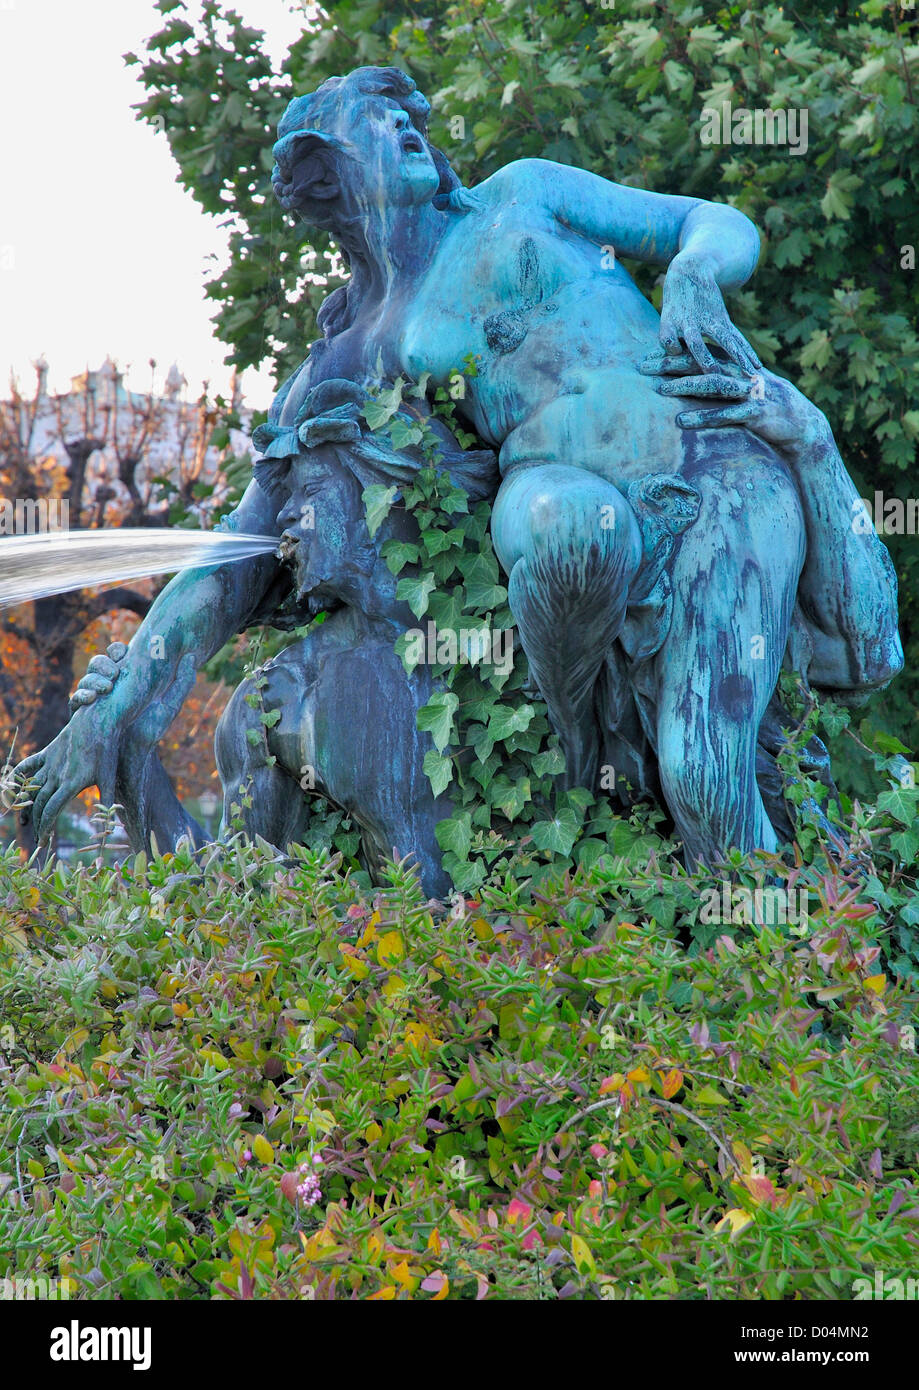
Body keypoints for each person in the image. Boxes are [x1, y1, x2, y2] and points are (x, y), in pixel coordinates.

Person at [17, 66, 902, 869]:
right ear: (322, 173)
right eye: (376, 121)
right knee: (559, 523)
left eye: (411, 117)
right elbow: (239, 554)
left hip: (710, 466)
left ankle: (784, 980)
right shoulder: (352, 352)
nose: (408, 127)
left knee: (705, 778)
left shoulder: (523, 196)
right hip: (560, 489)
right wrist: (132, 683)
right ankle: (579, 747)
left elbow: (707, 220)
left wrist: (695, 273)